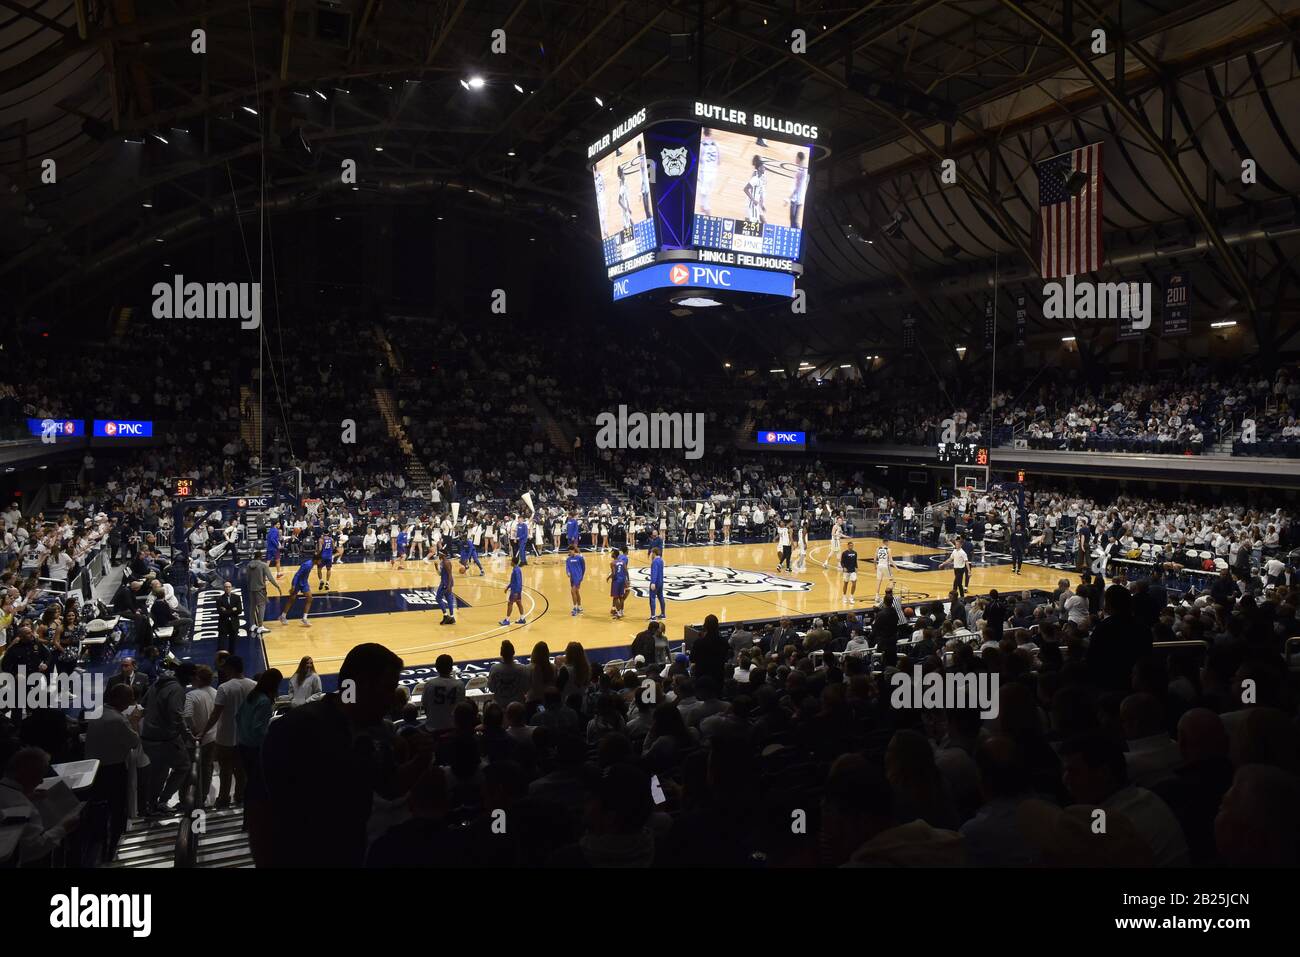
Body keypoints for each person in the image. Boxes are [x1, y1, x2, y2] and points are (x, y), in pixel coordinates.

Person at [262, 643, 415, 867]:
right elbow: (260, 807)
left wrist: (419, 759)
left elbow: (388, 787)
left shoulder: (381, 733)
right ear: (362, 684)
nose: (393, 699)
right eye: (388, 688)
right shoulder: (297, 727)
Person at [84, 683, 141, 853]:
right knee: (117, 807)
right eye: (129, 697)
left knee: (100, 806)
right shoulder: (118, 720)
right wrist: (134, 722)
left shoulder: (98, 711)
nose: (132, 701)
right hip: (112, 769)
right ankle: (114, 843)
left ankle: (100, 841)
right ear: (118, 698)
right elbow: (134, 742)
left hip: (95, 767)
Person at [236, 668, 283, 865]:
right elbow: (258, 728)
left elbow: (238, 717)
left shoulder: (252, 695)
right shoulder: (264, 701)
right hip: (255, 749)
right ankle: (256, 824)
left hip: (243, 745)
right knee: (260, 787)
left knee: (250, 785)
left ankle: (247, 822)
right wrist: (271, 737)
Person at [202, 655, 256, 809]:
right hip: (245, 736)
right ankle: (240, 797)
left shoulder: (224, 688)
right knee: (241, 771)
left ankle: (223, 800)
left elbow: (215, 714)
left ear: (230, 668)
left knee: (225, 771)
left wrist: (204, 732)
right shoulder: (254, 685)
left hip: (225, 737)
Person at [183, 665, 218, 808]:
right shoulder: (216, 692)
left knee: (192, 772)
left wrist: (194, 731)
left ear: (197, 678)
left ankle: (189, 801)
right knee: (207, 767)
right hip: (213, 737)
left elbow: (187, 716)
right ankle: (202, 797)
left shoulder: (191, 695)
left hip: (196, 740)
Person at [422, 654, 464, 732]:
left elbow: (424, 704)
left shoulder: (430, 684)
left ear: (436, 668)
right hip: (453, 727)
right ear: (451, 668)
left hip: (433, 727)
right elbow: (461, 706)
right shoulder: (459, 685)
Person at [245, 550, 280, 635]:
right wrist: (277, 586)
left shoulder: (249, 565)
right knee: (261, 607)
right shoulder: (263, 565)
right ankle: (260, 626)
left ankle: (252, 625)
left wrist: (249, 587)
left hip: (251, 588)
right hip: (260, 589)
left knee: (252, 607)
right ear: (260, 557)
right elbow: (270, 578)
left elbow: (247, 578)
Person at [278, 555, 317, 627]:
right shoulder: (307, 565)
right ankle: (283, 616)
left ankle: (304, 618)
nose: (321, 562)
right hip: (297, 583)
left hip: (304, 583)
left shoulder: (312, 564)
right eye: (321, 560)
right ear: (317, 560)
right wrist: (293, 585)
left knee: (310, 598)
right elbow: (297, 575)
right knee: (291, 599)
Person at [488, 639, 527, 706]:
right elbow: (526, 688)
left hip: (500, 705)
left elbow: (491, 688)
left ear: (501, 653)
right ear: (513, 652)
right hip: (518, 706)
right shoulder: (522, 669)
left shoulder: (494, 668)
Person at [215, 579, 242, 653]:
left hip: (234, 623)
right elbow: (220, 612)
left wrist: (226, 610)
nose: (228, 588)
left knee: (232, 644)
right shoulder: (219, 599)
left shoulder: (236, 597)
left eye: (229, 587)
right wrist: (232, 610)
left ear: (231, 588)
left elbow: (239, 610)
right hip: (223, 623)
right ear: (224, 588)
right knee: (221, 645)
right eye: (226, 587)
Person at [501, 555, 525, 626]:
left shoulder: (516, 570)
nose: (510, 562)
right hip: (517, 590)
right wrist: (508, 587)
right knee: (519, 603)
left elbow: (518, 582)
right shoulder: (516, 569)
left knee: (510, 604)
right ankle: (522, 618)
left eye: (511, 561)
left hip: (515, 591)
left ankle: (507, 620)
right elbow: (513, 581)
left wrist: (516, 592)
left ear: (513, 562)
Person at [436, 549, 457, 626]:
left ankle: (445, 615)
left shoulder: (446, 562)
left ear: (443, 555)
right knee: (449, 599)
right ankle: (452, 617)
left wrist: (449, 586)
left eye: (439, 554)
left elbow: (450, 575)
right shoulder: (442, 562)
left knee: (438, 598)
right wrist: (436, 567)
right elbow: (440, 574)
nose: (438, 555)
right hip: (444, 582)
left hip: (446, 584)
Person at [565, 543, 586, 617]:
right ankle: (580, 607)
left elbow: (584, 568)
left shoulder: (580, 558)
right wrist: (568, 572)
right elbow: (567, 568)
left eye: (571, 551)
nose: (570, 553)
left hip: (578, 577)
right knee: (576, 592)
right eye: (569, 552)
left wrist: (581, 576)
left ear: (574, 551)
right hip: (572, 578)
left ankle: (575, 608)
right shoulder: (568, 560)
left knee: (572, 591)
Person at [648, 546, 666, 621]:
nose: (651, 555)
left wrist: (653, 582)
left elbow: (654, 572)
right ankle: (663, 614)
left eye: (652, 553)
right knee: (661, 597)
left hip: (655, 582)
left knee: (652, 598)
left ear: (654, 553)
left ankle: (653, 616)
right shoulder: (661, 560)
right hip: (661, 582)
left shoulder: (655, 561)